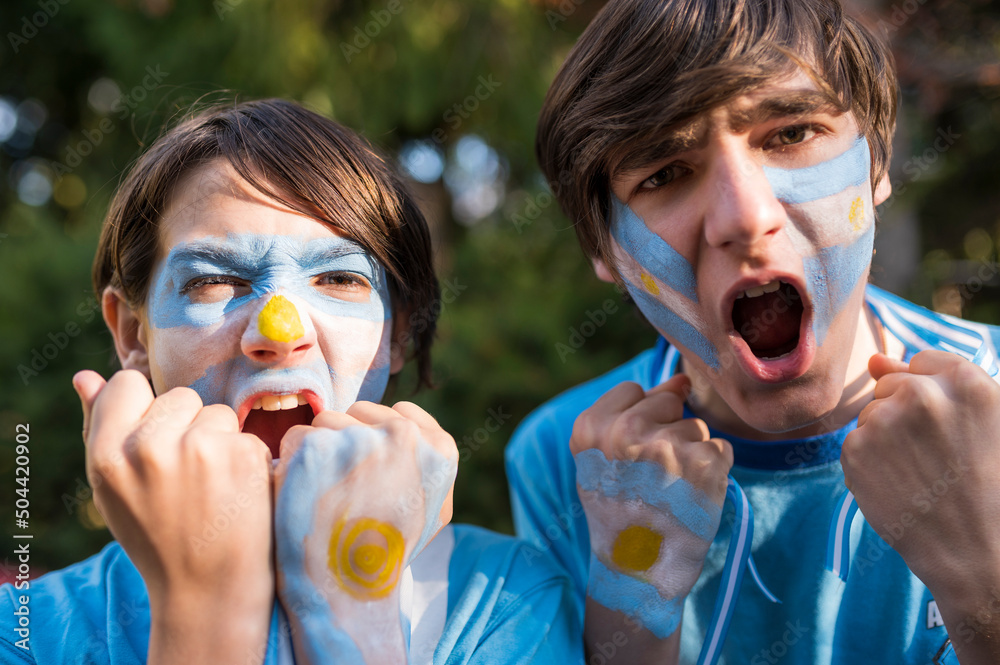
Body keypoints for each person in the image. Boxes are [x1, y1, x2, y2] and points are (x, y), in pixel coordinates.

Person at [0, 99, 581, 665]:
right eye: (212, 281)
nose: (280, 332)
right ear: (133, 332)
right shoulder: (23, 632)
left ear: (398, 332)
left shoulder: (508, 600)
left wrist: (353, 607)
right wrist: (205, 608)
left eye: (339, 278)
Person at [504, 1, 1000, 663]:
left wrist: (985, 582)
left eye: (792, 133)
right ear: (604, 251)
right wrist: (633, 605)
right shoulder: (564, 457)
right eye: (663, 173)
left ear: (877, 164)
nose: (745, 215)